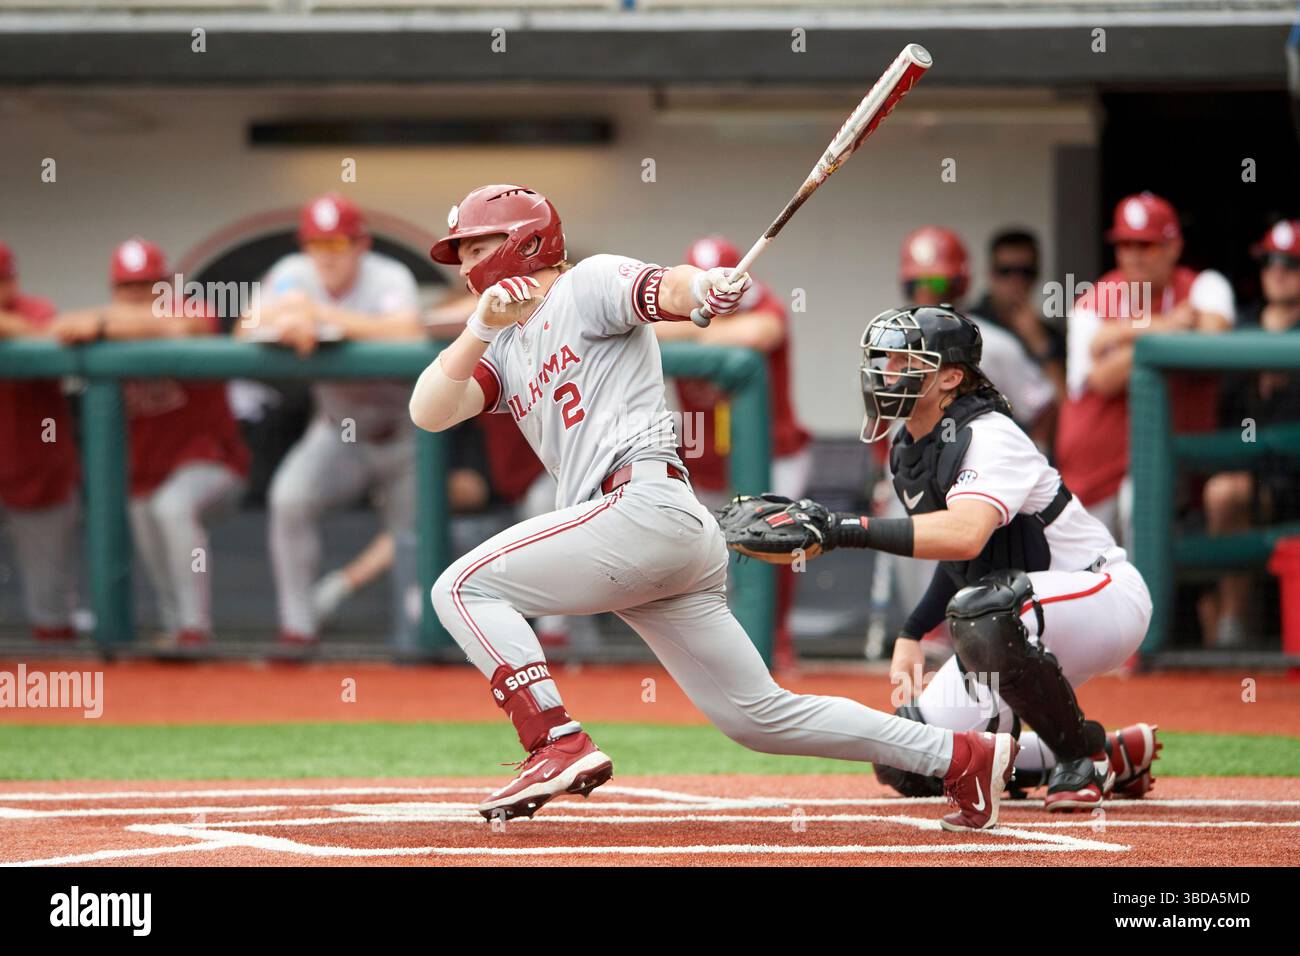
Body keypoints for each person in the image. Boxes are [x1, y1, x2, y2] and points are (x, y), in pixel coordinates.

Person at [411, 183, 1017, 831]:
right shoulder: (503, 346)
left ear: (525, 241)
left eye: (480, 245)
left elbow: (665, 288)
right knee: (758, 716)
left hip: (639, 505)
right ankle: (961, 755)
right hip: (646, 536)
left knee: (461, 586)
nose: (470, 264)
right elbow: (430, 411)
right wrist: (480, 329)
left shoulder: (583, 283)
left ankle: (555, 740)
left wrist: (702, 292)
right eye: (463, 251)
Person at [720, 306, 1161, 811]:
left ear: (950, 376)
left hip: (1100, 596)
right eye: (884, 361)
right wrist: (912, 631)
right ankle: (1110, 750)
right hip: (1019, 609)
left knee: (982, 613)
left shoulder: (989, 434)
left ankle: (1081, 757)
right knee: (906, 757)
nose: (886, 373)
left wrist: (844, 529)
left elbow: (965, 535)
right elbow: (962, 562)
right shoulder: (909, 445)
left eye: (905, 361)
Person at [243, 194, 424, 646]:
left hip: (406, 431)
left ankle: (419, 638)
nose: (326, 256)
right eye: (317, 244)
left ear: (360, 244)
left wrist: (323, 316)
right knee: (288, 499)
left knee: (414, 537)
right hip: (337, 429)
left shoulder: (388, 276)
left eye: (338, 243)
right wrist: (286, 323)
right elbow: (245, 328)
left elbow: (408, 333)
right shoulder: (291, 273)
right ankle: (298, 627)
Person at [51, 238, 249, 647]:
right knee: (148, 521)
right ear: (114, 291)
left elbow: (186, 325)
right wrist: (102, 324)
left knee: (171, 509)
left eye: (149, 285)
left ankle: (194, 629)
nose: (139, 295)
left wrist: (105, 326)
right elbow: (59, 327)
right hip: (146, 473)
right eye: (129, 287)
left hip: (213, 465)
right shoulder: (102, 323)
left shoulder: (190, 311)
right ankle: (178, 629)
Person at [653, 235, 812, 671]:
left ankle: (776, 638)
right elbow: (639, 330)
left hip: (775, 454)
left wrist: (694, 326)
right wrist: (696, 320)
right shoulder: (673, 306)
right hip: (705, 462)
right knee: (702, 557)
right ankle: (712, 652)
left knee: (771, 544)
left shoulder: (762, 304)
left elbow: (761, 331)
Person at [1055, 192, 1235, 547]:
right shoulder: (1094, 300)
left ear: (1174, 247)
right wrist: (1169, 326)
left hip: (1166, 460)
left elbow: (1214, 336)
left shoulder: (1203, 285)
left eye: (1147, 245)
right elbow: (1104, 379)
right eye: (1125, 245)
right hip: (1093, 469)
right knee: (1091, 573)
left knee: (1146, 551)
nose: (1134, 255)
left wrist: (1120, 336)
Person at [1200, 219, 1300, 648]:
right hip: (1249, 473)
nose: (1278, 271)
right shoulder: (1239, 328)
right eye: (1270, 261)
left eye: (1291, 263)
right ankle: (1233, 632)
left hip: (1294, 475)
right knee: (1222, 493)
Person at [0, 241, 80, 641]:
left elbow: (50, 339)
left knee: (48, 603)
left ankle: (56, 690)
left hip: (36, 470)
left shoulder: (35, 312)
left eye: (3, 279)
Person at [969, 228, 1067, 406]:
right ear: (991, 274)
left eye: (1025, 272)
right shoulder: (968, 326)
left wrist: (1041, 344)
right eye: (1006, 271)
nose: (1016, 281)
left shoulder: (1050, 336)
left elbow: (1067, 404)